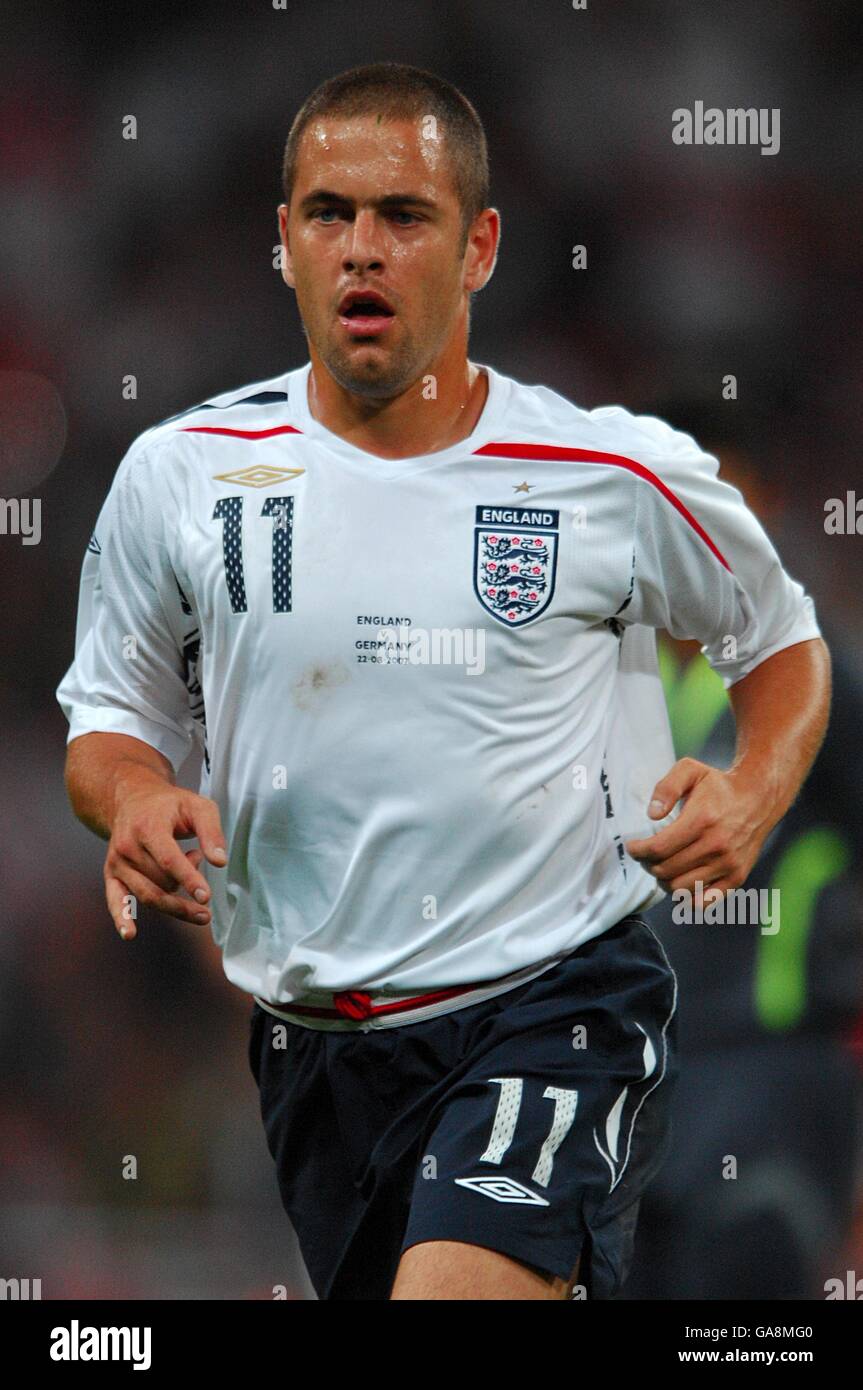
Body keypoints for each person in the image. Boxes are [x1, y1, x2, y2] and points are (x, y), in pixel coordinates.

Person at [56, 62, 830, 1301]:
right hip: (316, 1048)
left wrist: (752, 792)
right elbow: (109, 721)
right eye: (328, 213)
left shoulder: (605, 471)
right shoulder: (180, 474)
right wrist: (136, 801)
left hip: (554, 1003)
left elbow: (780, 642)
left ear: (477, 247)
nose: (361, 248)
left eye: (402, 216)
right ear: (284, 241)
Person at [619, 405, 863, 1300]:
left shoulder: (815, 680)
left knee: (740, 1300)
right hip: (626, 1069)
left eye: (719, 502)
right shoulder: (607, 684)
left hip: (774, 1066)